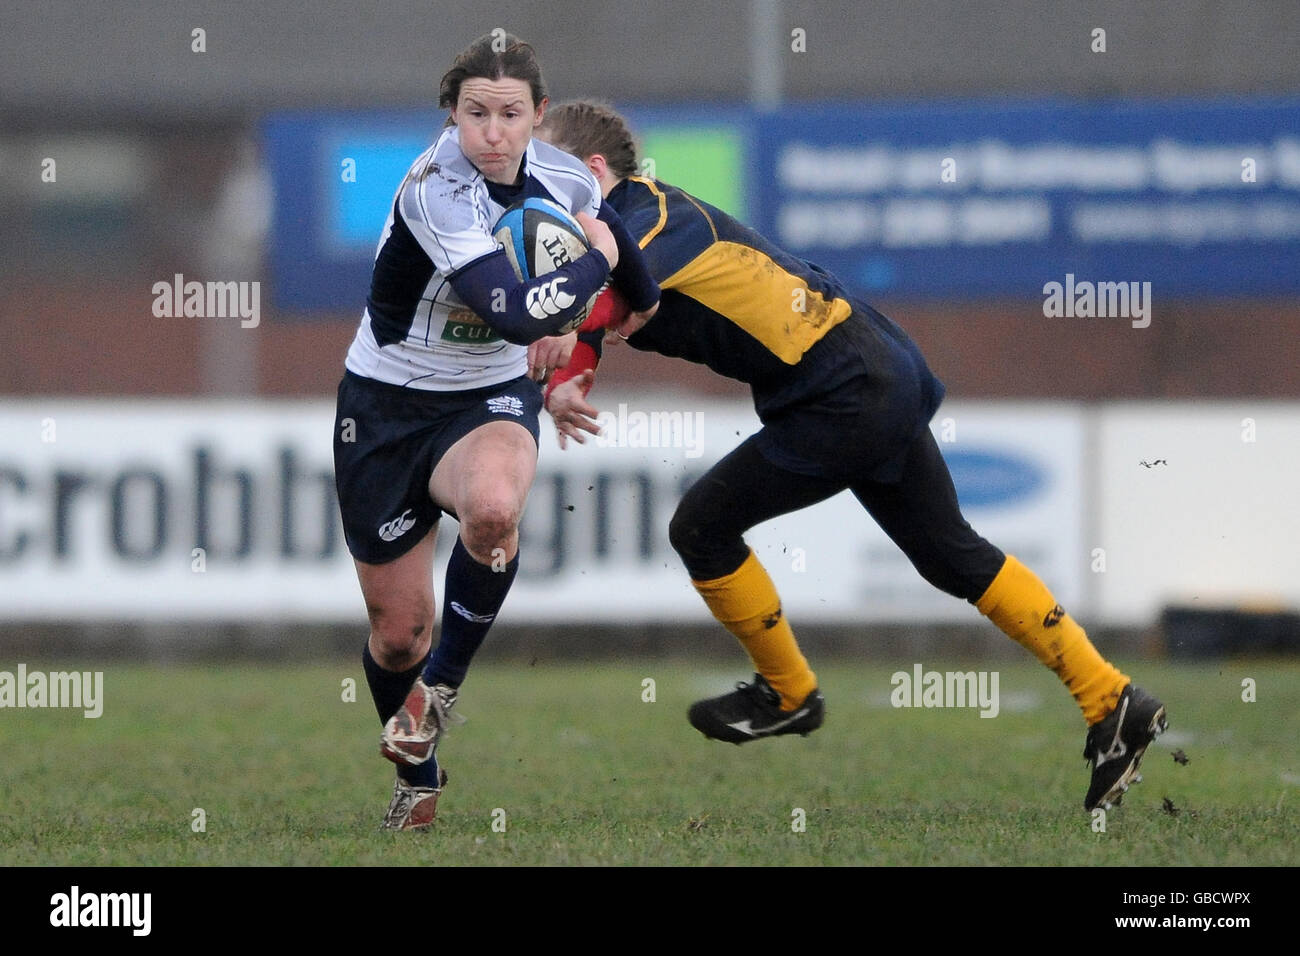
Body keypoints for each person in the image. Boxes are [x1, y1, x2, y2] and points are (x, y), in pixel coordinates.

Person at [537, 101, 1166, 812]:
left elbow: (615, 289)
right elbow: (607, 303)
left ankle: (789, 692)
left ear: (593, 173)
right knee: (951, 555)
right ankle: (1112, 698)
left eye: (543, 169)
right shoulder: (612, 234)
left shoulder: (643, 211)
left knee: (701, 527)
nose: (530, 187)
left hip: (843, 384)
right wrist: (569, 377)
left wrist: (562, 341)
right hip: (859, 367)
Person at [333, 50, 659, 829]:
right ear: (452, 113)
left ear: (538, 114)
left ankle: (438, 692)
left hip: (487, 396)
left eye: (510, 114)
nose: (492, 130)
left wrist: (592, 318)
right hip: (384, 408)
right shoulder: (435, 192)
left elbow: (631, 276)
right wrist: (595, 267)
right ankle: (419, 776)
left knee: (490, 513)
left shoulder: (568, 179)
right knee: (398, 628)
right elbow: (515, 309)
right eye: (476, 113)